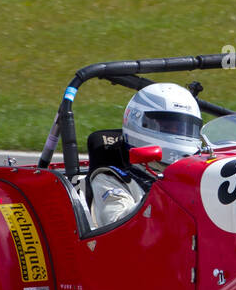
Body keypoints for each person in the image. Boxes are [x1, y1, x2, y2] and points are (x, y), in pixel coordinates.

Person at [86, 82, 203, 228]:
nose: (179, 132)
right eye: (169, 126)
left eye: (185, 127)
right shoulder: (109, 178)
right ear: (139, 121)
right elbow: (117, 226)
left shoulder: (196, 171)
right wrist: (159, 197)